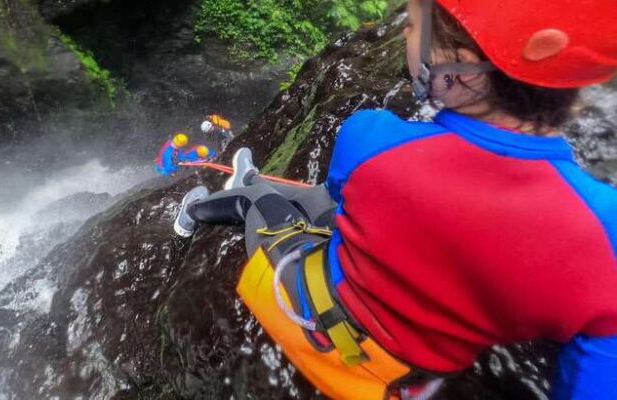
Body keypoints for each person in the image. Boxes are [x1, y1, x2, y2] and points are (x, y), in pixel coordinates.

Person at [173, 0, 617, 399]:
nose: (405, 34)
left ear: (460, 69)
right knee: (323, 203)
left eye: (412, 26)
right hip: (410, 381)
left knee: (261, 204)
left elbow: (353, 190)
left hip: (315, 328)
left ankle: (196, 211)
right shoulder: (606, 229)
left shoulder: (372, 136)